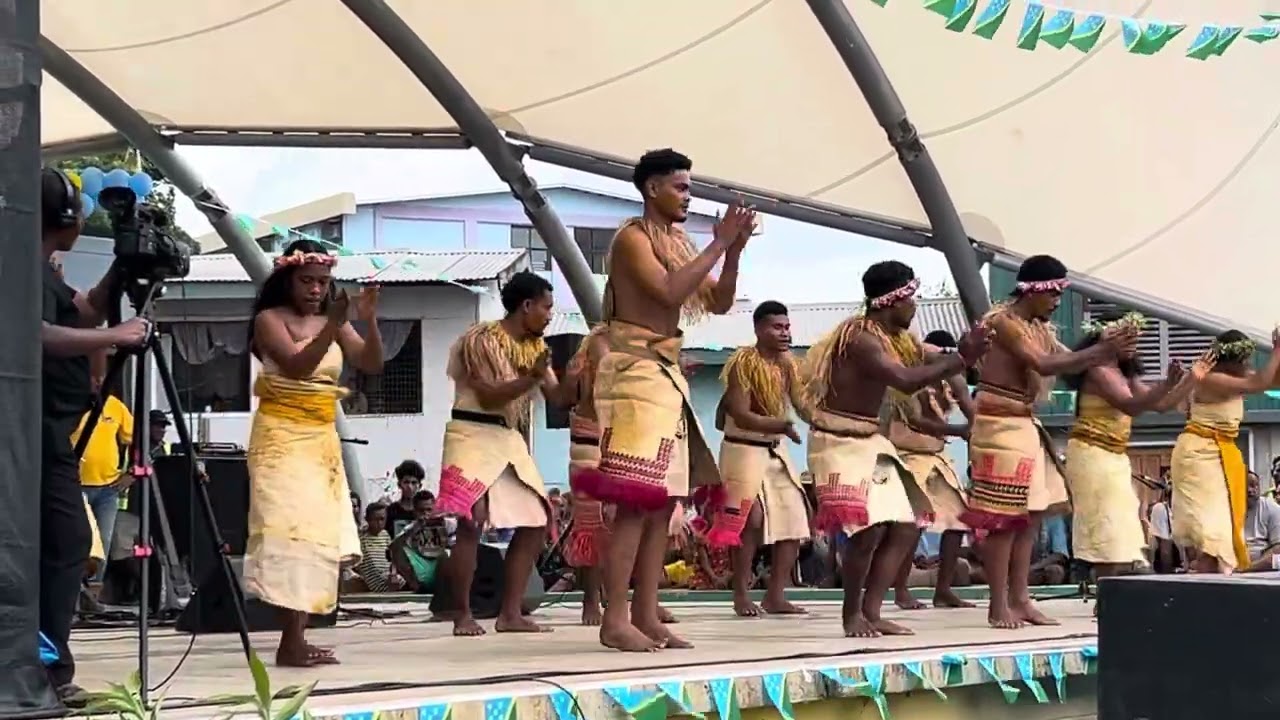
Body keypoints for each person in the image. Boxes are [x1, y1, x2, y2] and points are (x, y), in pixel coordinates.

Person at [572, 148, 752, 652]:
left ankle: (647, 615)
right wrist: (717, 244)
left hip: (663, 374)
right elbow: (671, 293)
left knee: (661, 504)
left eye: (689, 187)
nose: (688, 196)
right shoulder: (631, 239)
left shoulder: (674, 241)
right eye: (680, 187)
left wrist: (732, 250)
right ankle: (615, 618)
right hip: (634, 372)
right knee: (635, 503)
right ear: (652, 189)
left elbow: (717, 301)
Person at [798, 261, 989, 637]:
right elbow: (903, 379)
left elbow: (927, 358)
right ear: (892, 300)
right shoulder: (860, 339)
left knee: (904, 526)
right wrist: (961, 358)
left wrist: (965, 353)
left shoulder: (893, 339)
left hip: (869, 441)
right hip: (837, 441)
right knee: (866, 531)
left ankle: (872, 610)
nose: (915, 307)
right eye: (911, 298)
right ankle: (851, 615)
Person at [962, 254, 1137, 629]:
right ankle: (997, 605)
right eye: (1053, 293)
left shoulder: (1037, 327)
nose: (1057, 301)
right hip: (997, 425)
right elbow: (1042, 364)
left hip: (1024, 423)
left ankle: (1020, 598)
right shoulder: (1004, 323)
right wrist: (1101, 350)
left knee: (1030, 517)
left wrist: (1107, 347)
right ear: (1032, 291)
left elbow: (1068, 360)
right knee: (1003, 520)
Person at [243, 239, 384, 666]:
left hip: (320, 438)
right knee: (290, 532)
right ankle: (290, 640)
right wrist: (332, 326)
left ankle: (295, 638)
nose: (316, 290)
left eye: (323, 282)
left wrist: (369, 320)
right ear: (287, 279)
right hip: (280, 437)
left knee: (317, 536)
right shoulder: (269, 319)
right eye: (307, 281)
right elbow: (297, 366)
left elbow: (371, 363)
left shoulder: (333, 323)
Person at [40, 168, 149, 700]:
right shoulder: (19, 268)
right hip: (32, 434)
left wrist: (117, 277)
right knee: (66, 542)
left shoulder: (40, 270)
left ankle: (47, 666)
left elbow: (77, 312)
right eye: (79, 211)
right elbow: (30, 332)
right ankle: (46, 668)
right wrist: (115, 335)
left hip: (52, 431)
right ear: (62, 218)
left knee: (66, 543)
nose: (83, 220)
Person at [433, 271, 565, 636]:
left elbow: (558, 398)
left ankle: (510, 613)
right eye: (546, 307)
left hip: (507, 437)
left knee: (538, 520)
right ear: (526, 306)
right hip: (471, 430)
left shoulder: (536, 348)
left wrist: (587, 375)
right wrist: (532, 378)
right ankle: (462, 615)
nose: (550, 315)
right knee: (471, 523)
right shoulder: (481, 339)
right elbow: (491, 395)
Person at [1061, 319, 1209, 592]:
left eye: (1135, 340)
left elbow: (1161, 404)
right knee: (1106, 525)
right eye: (1127, 339)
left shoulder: (1125, 373)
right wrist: (1165, 383)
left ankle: (1110, 594)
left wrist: (1190, 378)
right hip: (1091, 453)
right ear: (1107, 341)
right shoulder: (1098, 371)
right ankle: (1105, 594)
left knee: (1122, 524)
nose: (1134, 345)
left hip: (1114, 455)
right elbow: (1131, 405)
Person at [702, 301, 811, 617]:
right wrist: (782, 425)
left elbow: (803, 405)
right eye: (777, 327)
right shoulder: (743, 362)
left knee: (793, 520)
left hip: (775, 449)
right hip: (742, 448)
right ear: (759, 329)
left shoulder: (788, 365)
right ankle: (741, 595)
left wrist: (827, 419)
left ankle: (775, 596)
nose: (785, 333)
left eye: (787, 327)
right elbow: (740, 413)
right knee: (750, 520)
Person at [1171, 330, 1280, 573]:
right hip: (1199, 455)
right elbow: (1258, 383)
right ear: (1231, 361)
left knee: (1222, 534)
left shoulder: (1235, 378)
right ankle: (1203, 594)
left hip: (1220, 455)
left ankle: (1209, 592)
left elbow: (1272, 379)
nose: (1249, 365)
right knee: (1212, 534)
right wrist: (1277, 350)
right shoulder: (1211, 379)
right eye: (1244, 360)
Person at [885, 330, 976, 610]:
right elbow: (918, 422)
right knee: (914, 525)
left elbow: (971, 412)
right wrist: (957, 430)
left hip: (937, 456)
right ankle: (901, 590)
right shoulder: (909, 378)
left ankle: (943, 590)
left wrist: (976, 424)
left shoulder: (950, 380)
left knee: (959, 520)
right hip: (907, 456)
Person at [70, 375, 133, 606]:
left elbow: (135, 437)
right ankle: (74, 595)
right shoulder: (71, 404)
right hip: (76, 487)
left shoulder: (115, 406)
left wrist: (134, 472)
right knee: (80, 542)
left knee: (104, 544)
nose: (97, 383)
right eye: (93, 378)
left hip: (108, 489)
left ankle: (92, 595)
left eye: (102, 379)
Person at [386, 460, 426, 537]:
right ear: (399, 484)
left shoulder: (424, 511)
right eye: (406, 482)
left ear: (420, 486)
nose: (410, 487)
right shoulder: (390, 511)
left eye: (414, 483)